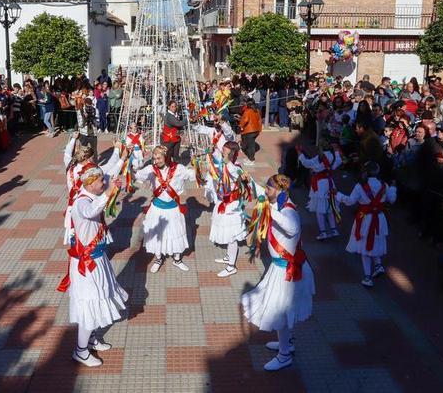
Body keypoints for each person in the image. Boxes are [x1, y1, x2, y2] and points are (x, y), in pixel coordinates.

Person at [241, 174, 315, 371]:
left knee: (278, 312)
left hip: (287, 271)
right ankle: (286, 344)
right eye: (266, 187)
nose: (266, 191)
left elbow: (292, 228)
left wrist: (269, 209)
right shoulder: (278, 203)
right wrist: (248, 179)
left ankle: (284, 356)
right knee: (282, 310)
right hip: (280, 268)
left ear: (281, 191)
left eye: (269, 188)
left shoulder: (289, 212)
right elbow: (262, 194)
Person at [56, 167, 127, 368]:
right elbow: (91, 211)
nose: (103, 183)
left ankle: (91, 339)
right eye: (101, 181)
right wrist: (108, 192)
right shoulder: (81, 202)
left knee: (98, 299)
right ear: (89, 183)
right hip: (86, 264)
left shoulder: (90, 196)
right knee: (90, 304)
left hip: (97, 259)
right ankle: (81, 351)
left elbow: (99, 202)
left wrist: (113, 188)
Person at [134, 146, 196, 273]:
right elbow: (138, 175)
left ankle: (177, 259)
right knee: (157, 233)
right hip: (157, 209)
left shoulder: (178, 169)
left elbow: (192, 175)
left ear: (166, 157)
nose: (156, 161)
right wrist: (128, 166)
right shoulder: (151, 169)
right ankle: (158, 259)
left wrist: (200, 166)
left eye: (159, 158)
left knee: (176, 233)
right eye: (154, 158)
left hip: (173, 208)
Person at [336, 161, 397, 287]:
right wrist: (393, 188)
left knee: (364, 247)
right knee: (376, 241)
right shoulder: (384, 185)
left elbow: (350, 201)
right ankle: (378, 265)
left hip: (365, 218)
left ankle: (368, 277)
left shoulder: (360, 186)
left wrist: (338, 195)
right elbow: (392, 199)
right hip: (379, 218)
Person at [205, 141, 257, 277]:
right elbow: (217, 159)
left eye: (225, 152)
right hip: (223, 203)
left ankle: (231, 267)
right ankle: (229, 257)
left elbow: (238, 172)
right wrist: (212, 151)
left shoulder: (234, 168)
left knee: (232, 237)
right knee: (228, 234)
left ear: (232, 154)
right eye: (222, 151)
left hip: (232, 206)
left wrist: (244, 176)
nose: (222, 153)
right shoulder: (225, 164)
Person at [297, 141, 342, 240]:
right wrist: (336, 151)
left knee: (320, 210)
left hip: (320, 185)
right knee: (330, 206)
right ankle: (334, 230)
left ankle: (323, 232)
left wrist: (300, 154)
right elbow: (338, 162)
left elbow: (307, 163)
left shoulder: (319, 158)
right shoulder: (333, 156)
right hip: (330, 183)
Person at [239, 99, 262, 164]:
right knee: (251, 144)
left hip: (249, 131)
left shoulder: (247, 111)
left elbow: (245, 120)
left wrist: (241, 126)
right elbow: (259, 120)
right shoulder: (257, 110)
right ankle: (249, 157)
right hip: (256, 130)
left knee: (250, 146)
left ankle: (251, 160)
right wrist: (260, 129)